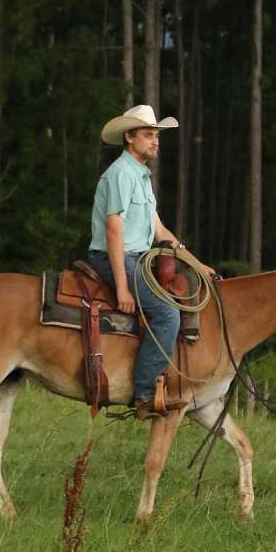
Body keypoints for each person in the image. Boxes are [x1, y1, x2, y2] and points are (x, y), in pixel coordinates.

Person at [87, 104, 216, 420]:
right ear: (129, 137)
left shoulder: (141, 176)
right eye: (148, 135)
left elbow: (160, 231)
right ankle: (144, 394)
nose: (155, 141)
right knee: (167, 314)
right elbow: (114, 229)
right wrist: (122, 287)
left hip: (137, 257)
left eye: (157, 135)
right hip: (114, 257)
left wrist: (197, 264)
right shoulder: (120, 173)